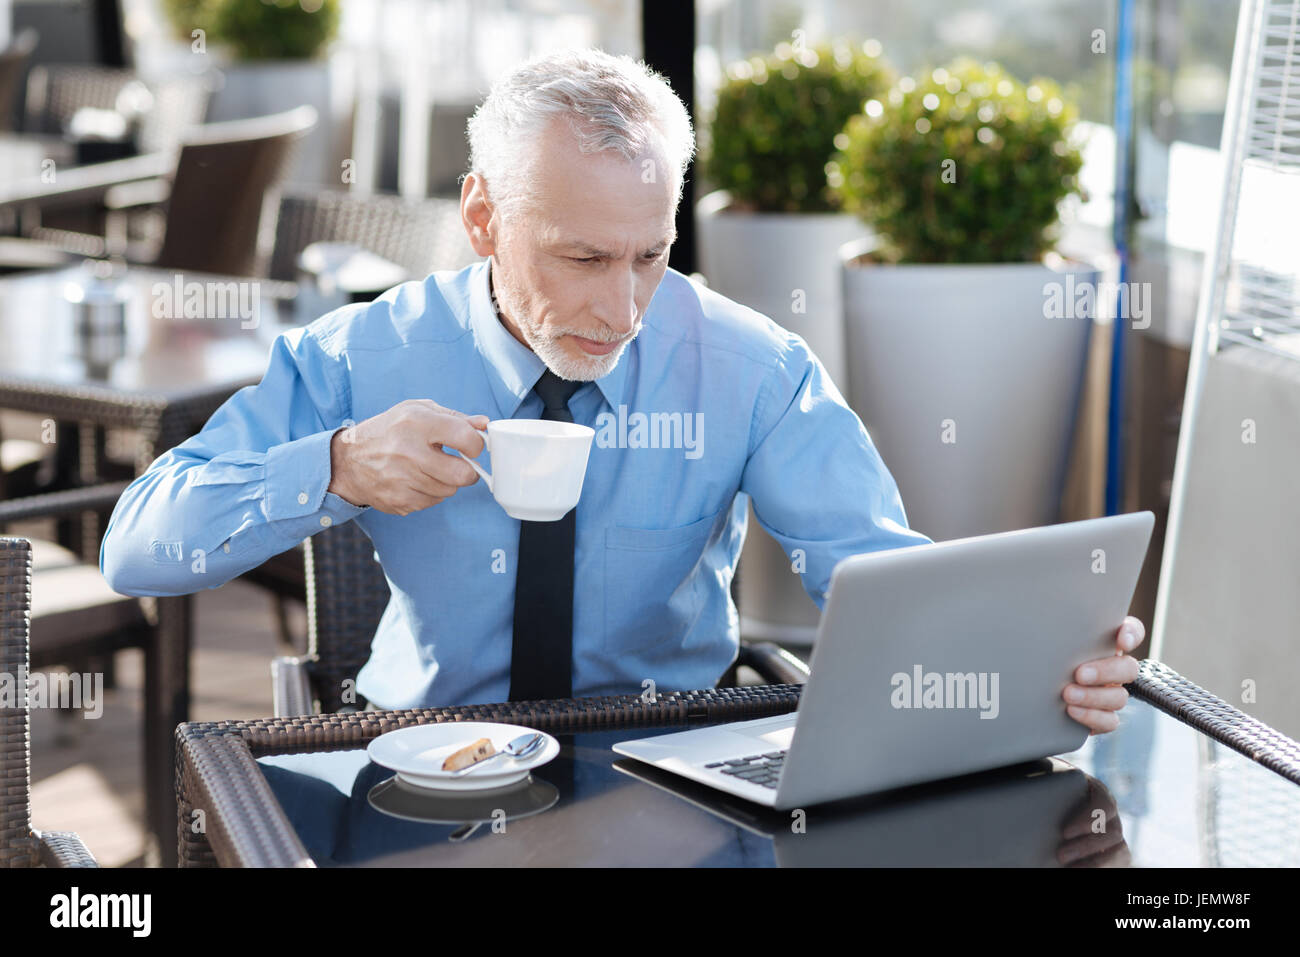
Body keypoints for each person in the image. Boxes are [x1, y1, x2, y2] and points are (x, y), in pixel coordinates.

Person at [100, 48, 1143, 727]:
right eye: (581, 260)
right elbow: (139, 549)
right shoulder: (359, 356)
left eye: (649, 256)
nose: (623, 310)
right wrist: (332, 467)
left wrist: (1034, 666)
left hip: (669, 758)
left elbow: (876, 578)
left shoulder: (751, 368)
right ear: (480, 219)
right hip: (419, 757)